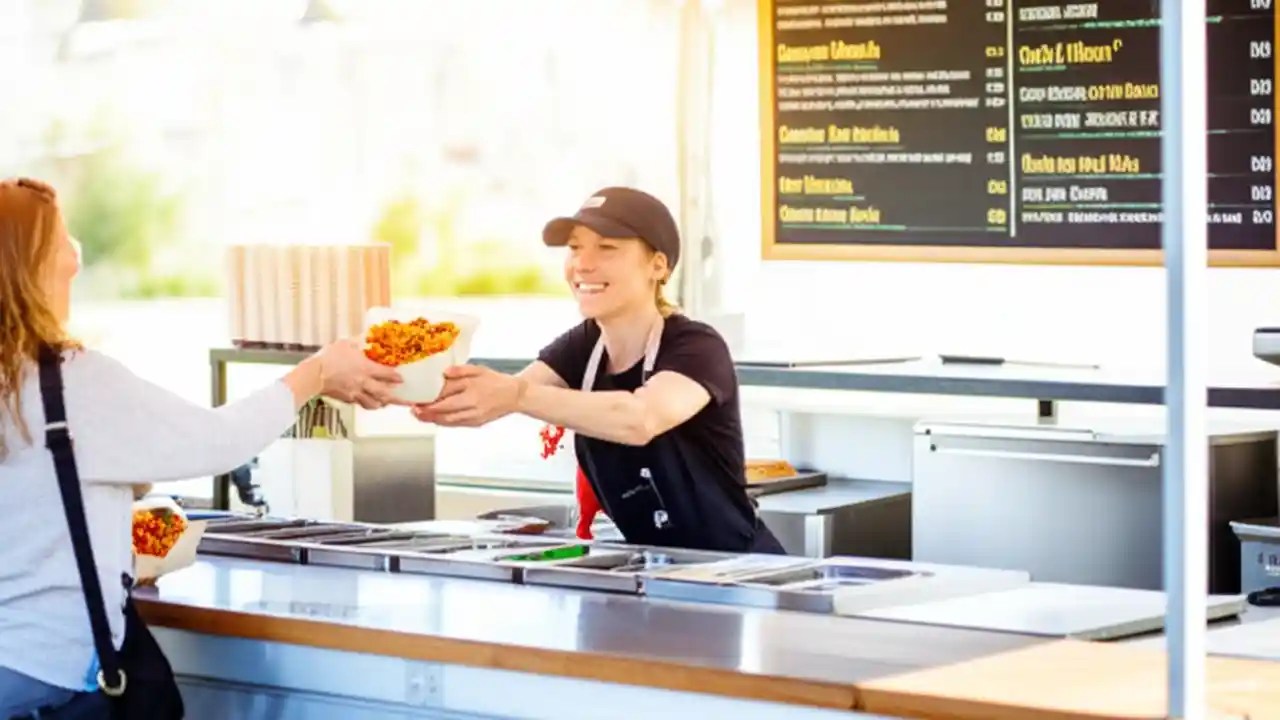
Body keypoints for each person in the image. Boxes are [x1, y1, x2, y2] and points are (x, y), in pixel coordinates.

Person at [0, 177, 404, 718]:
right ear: (31, 266)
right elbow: (218, 442)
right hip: (46, 673)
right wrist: (315, 374)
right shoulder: (72, 384)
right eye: (62, 242)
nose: (76, 257)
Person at [413, 186, 785, 554]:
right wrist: (412, 380)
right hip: (655, 570)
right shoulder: (584, 347)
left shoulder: (697, 347)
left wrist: (517, 395)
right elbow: (501, 397)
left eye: (607, 248)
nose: (583, 264)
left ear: (658, 265)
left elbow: (640, 419)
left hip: (736, 573)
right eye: (575, 248)